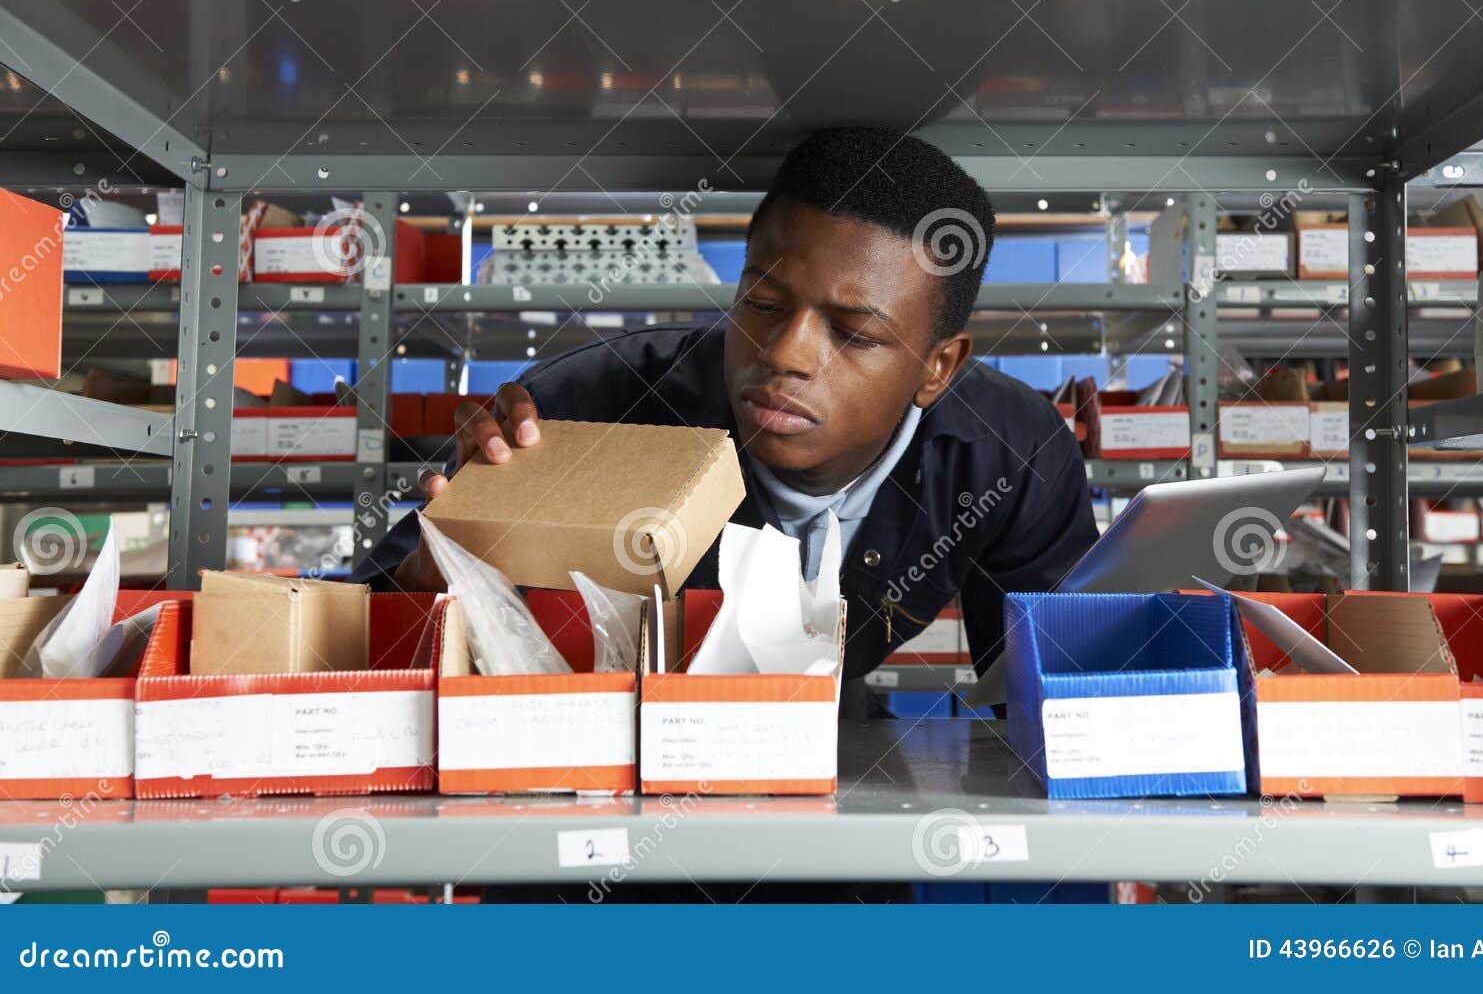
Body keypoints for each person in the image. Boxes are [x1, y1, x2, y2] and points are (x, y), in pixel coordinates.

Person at [355, 126, 1099, 715]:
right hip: (592, 812)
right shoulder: (589, 407)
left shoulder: (1011, 454)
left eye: (853, 333)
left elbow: (1063, 694)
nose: (785, 354)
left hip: (827, 813)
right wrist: (452, 552)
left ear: (938, 366)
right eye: (764, 304)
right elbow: (354, 641)